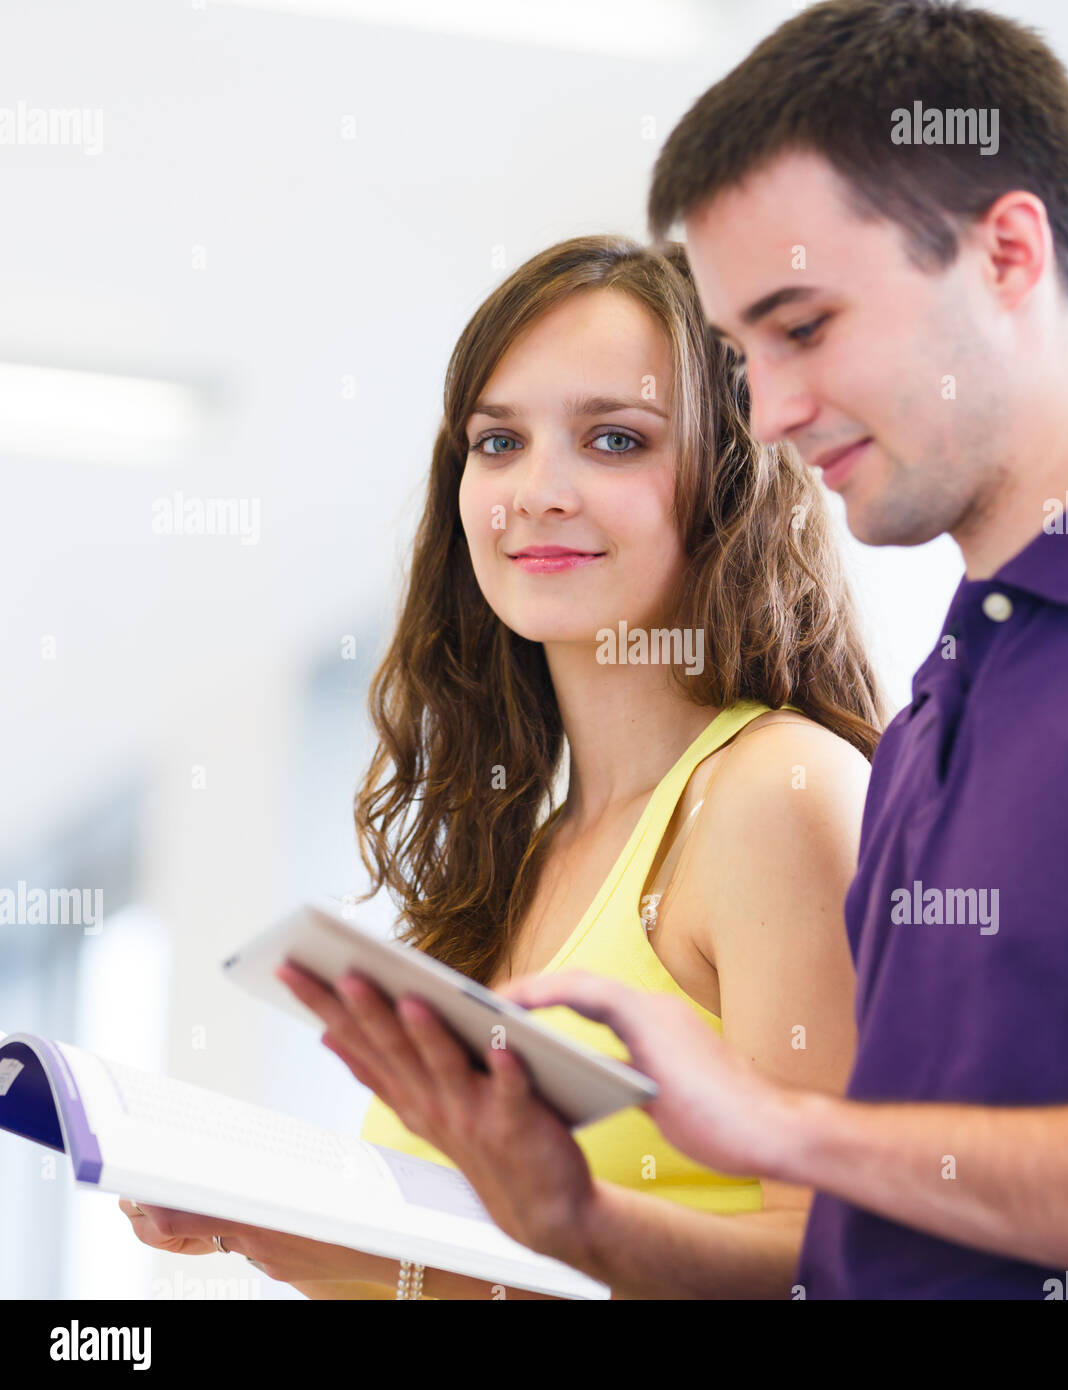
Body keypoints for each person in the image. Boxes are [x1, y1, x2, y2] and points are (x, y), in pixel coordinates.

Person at [288, 0, 1068, 1300]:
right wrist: (568, 1226)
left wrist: (787, 1130)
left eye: (804, 327)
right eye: (748, 351)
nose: (767, 412)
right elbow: (858, 1263)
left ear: (1006, 253)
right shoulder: (943, 716)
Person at [126, 233, 885, 1298]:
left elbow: (849, 1272)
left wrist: (382, 1269)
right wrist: (290, 1233)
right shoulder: (528, 857)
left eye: (614, 440)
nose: (536, 491)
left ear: (731, 477)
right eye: (498, 442)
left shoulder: (777, 795)